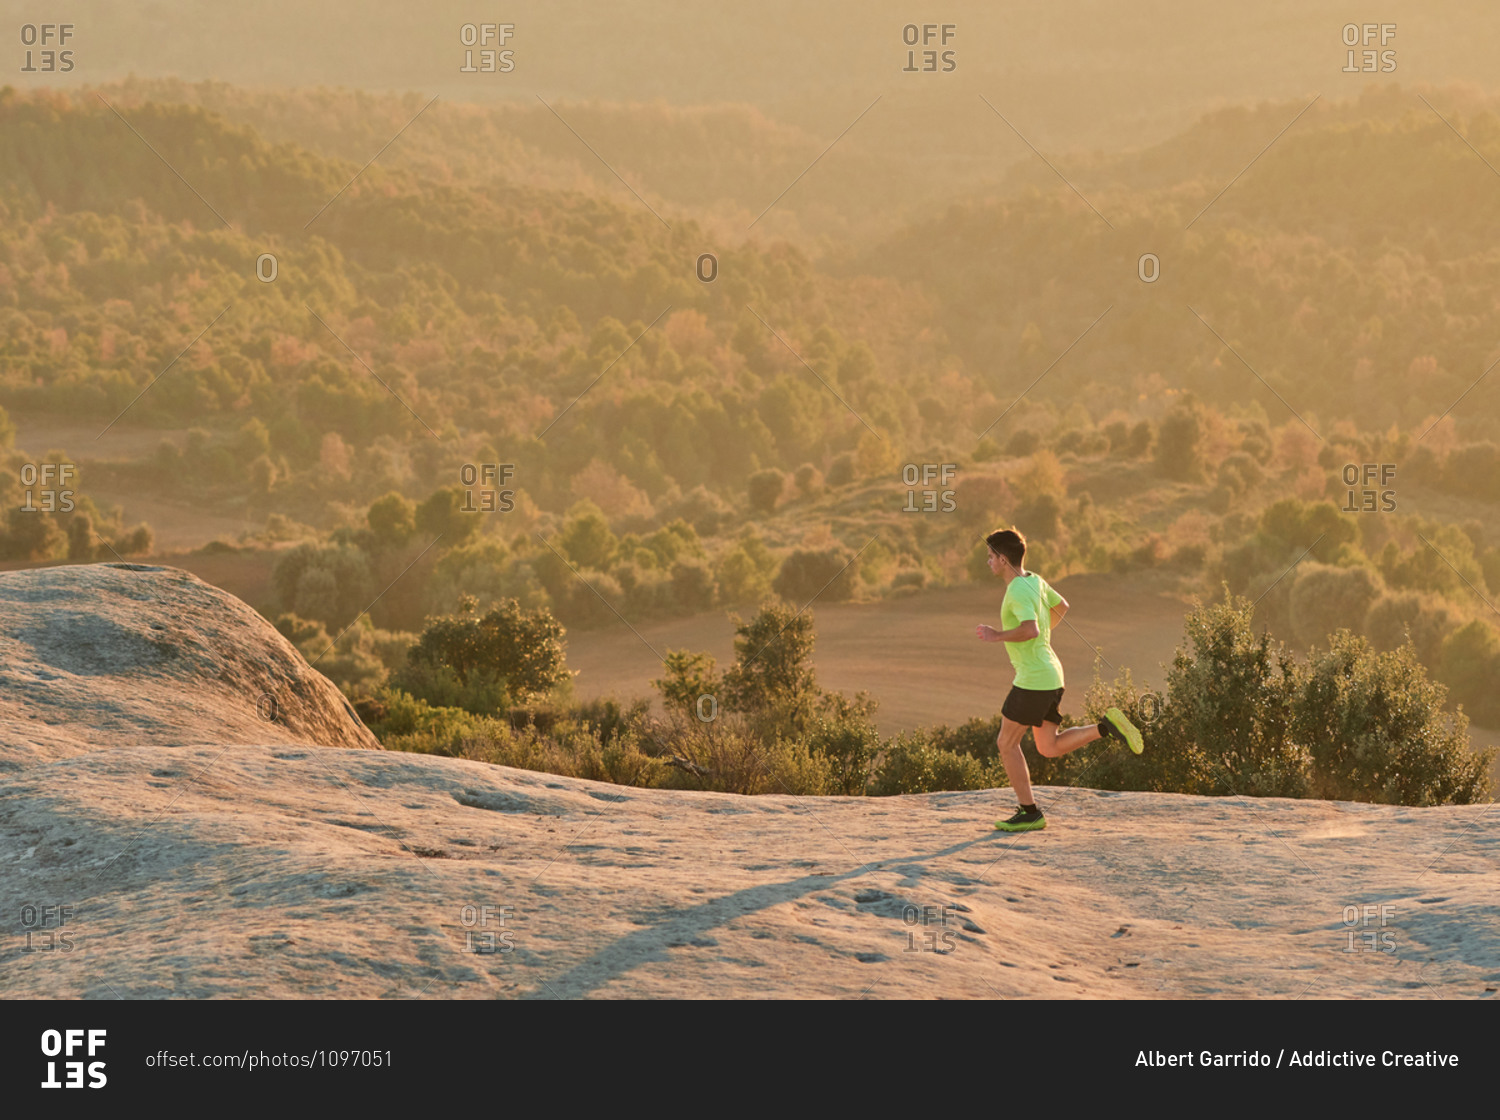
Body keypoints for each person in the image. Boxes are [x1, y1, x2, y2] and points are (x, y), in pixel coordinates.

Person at [975, 527, 1142, 831]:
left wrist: (996, 635)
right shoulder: (1034, 580)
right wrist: (1041, 639)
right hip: (1052, 673)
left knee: (1005, 742)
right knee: (1048, 747)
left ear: (1002, 558)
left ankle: (1029, 813)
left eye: (989, 557)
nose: (988, 562)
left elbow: (1030, 629)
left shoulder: (1015, 590)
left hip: (1034, 678)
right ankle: (1107, 726)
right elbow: (1062, 606)